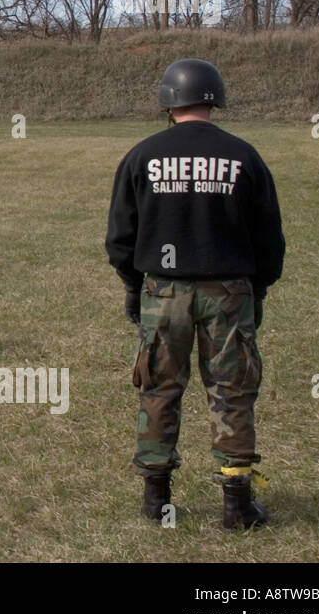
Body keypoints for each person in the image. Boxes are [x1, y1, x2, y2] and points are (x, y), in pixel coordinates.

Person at [105, 58, 285, 530]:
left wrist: (133, 288)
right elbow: (269, 238)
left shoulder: (142, 155)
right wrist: (258, 289)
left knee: (159, 389)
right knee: (232, 392)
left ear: (169, 102)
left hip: (162, 293)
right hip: (229, 292)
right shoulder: (244, 156)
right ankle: (236, 504)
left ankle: (157, 499)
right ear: (214, 99)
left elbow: (121, 237)